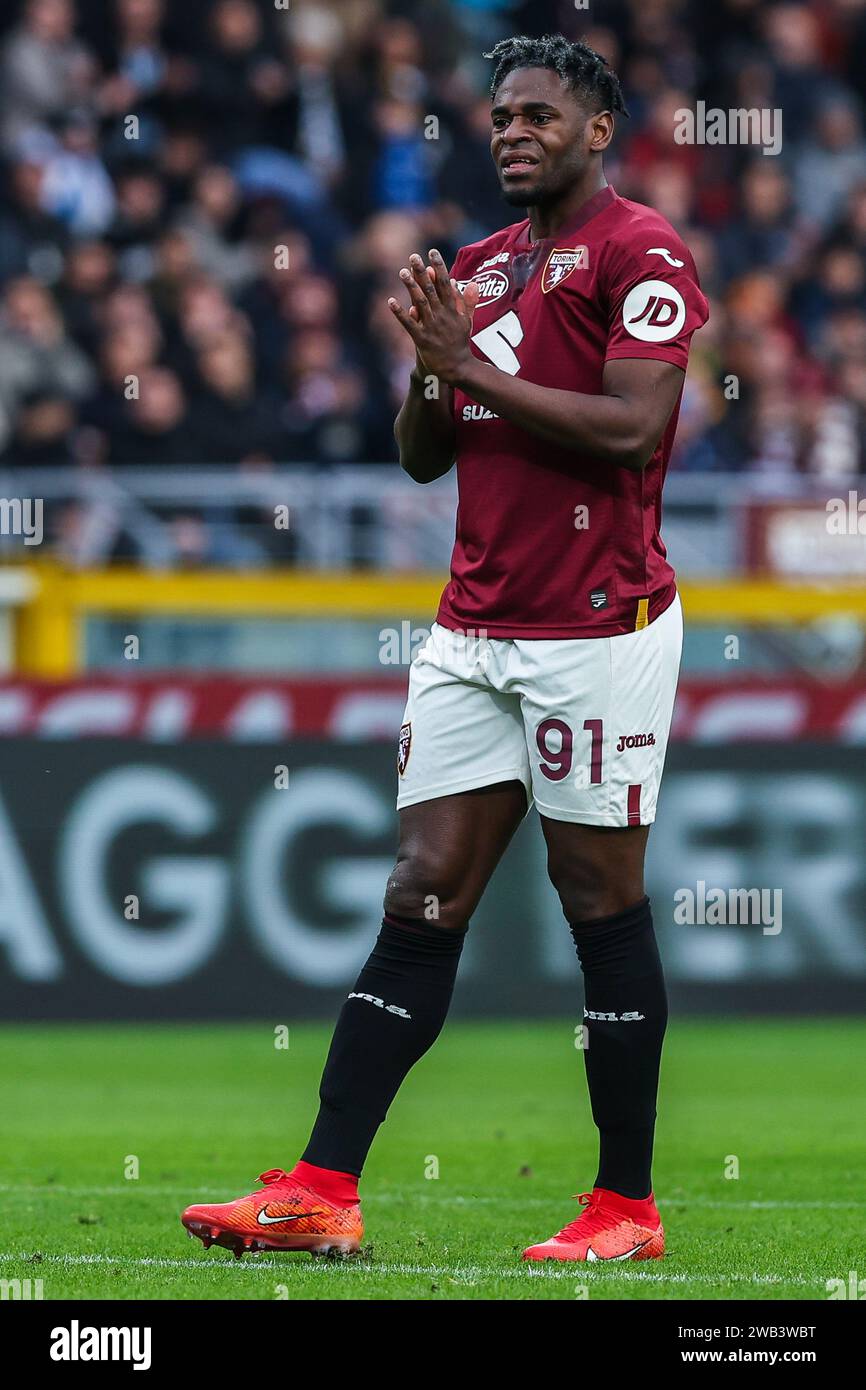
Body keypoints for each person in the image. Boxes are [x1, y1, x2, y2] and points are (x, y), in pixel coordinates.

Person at [180, 33, 708, 1263]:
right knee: (420, 891)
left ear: (593, 130)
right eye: (499, 115)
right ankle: (322, 1184)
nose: (511, 130)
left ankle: (624, 1206)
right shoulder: (478, 266)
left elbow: (634, 431)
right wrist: (431, 368)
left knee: (599, 901)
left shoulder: (642, 252)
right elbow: (426, 451)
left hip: (594, 626)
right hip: (471, 627)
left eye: (536, 114)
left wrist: (465, 357)